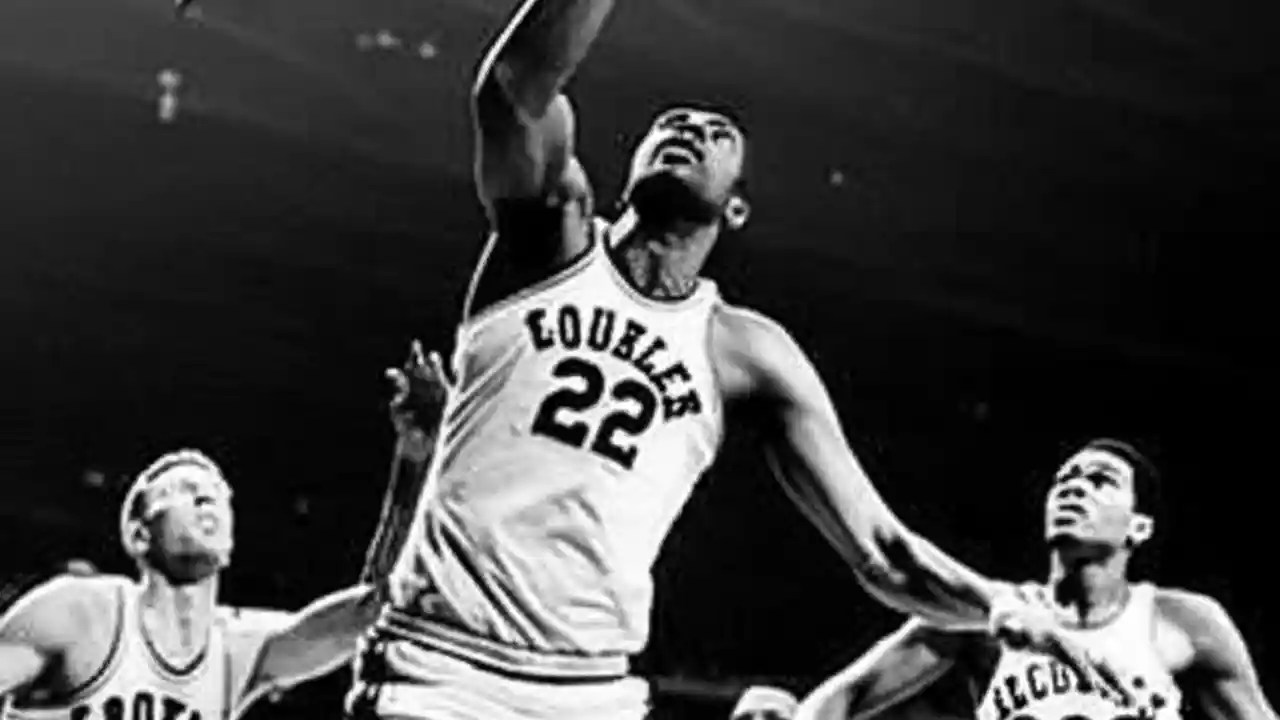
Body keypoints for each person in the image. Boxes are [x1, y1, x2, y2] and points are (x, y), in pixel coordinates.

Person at [346, 1, 1123, 719]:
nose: (690, 129)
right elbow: (511, 90)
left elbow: (880, 548)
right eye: (671, 123)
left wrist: (999, 607)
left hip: (589, 690)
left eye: (716, 133)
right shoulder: (551, 239)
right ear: (631, 162)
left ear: (736, 206)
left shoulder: (744, 351)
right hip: (439, 666)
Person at [0, 343, 450, 720]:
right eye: (182, 489)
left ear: (231, 542)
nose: (205, 496)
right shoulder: (81, 612)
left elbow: (374, 608)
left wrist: (416, 465)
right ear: (139, 536)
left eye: (216, 491)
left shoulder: (238, 650)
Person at [794, 439, 1277, 720]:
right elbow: (844, 695)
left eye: (1098, 481)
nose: (1073, 487)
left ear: (1139, 527)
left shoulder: (1186, 621)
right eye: (1064, 480)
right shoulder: (985, 615)